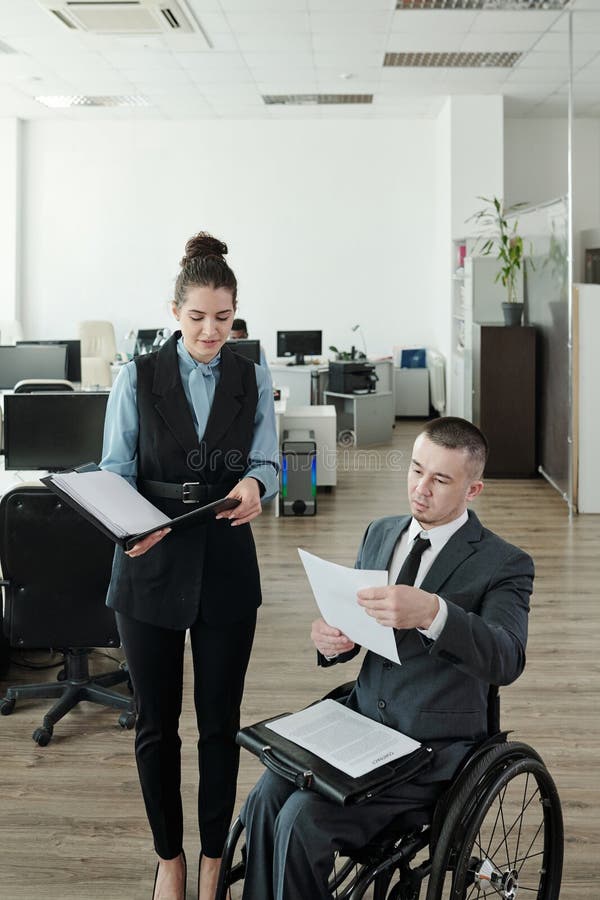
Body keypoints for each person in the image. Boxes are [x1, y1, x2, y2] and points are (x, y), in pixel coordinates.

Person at [239, 416, 534, 900]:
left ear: (473, 489)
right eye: (416, 470)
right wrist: (335, 641)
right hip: (361, 721)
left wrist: (434, 613)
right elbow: (357, 625)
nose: (421, 489)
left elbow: (507, 658)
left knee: (300, 818)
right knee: (266, 797)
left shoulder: (504, 563)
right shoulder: (382, 531)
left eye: (440, 480)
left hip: (433, 750)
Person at [101, 231, 279, 900]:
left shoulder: (252, 377)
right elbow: (115, 470)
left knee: (219, 725)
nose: (211, 331)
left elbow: (274, 459)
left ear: (237, 316)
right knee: (155, 725)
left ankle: (212, 859)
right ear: (174, 311)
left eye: (224, 318)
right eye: (198, 316)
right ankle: (169, 857)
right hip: (149, 564)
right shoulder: (137, 376)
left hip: (227, 562)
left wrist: (262, 485)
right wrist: (130, 526)